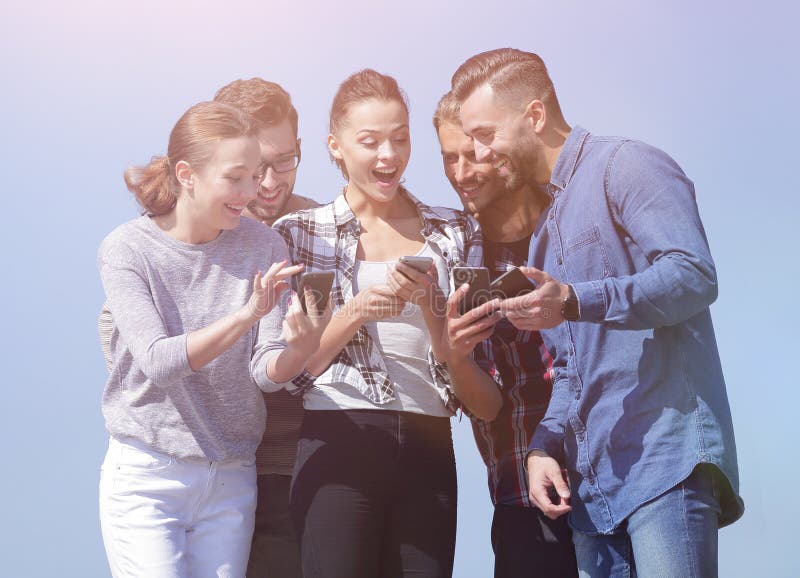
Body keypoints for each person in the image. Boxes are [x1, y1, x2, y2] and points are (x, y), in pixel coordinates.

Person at [450, 48, 744, 577]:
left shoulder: (626, 164)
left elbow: (693, 275)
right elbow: (570, 368)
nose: (479, 153)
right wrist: (543, 448)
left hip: (664, 464)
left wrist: (573, 299)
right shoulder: (543, 238)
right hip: (595, 499)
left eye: (486, 134)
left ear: (534, 115)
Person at [273, 69, 501, 578]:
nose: (388, 155)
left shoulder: (456, 230)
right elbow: (291, 372)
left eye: (400, 138)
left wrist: (433, 310)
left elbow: (482, 391)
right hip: (338, 438)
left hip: (429, 444)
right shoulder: (298, 234)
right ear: (335, 146)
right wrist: (357, 310)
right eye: (370, 141)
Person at [97, 101, 328, 577]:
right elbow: (159, 361)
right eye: (236, 178)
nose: (252, 192)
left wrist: (301, 350)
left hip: (231, 478)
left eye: (255, 176)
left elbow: (265, 372)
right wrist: (247, 314)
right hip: (148, 477)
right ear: (187, 174)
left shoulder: (265, 245)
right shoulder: (127, 249)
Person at [434, 91, 578, 578]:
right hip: (522, 495)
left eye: (472, 155)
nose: (461, 173)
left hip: (609, 477)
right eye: (448, 158)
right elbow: (485, 401)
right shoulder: (461, 256)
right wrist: (454, 356)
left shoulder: (570, 223)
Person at [214, 77, 319, 578]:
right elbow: (123, 337)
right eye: (256, 169)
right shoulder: (189, 231)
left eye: (286, 161)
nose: (272, 183)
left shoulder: (325, 229)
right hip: (215, 472)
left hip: (305, 466)